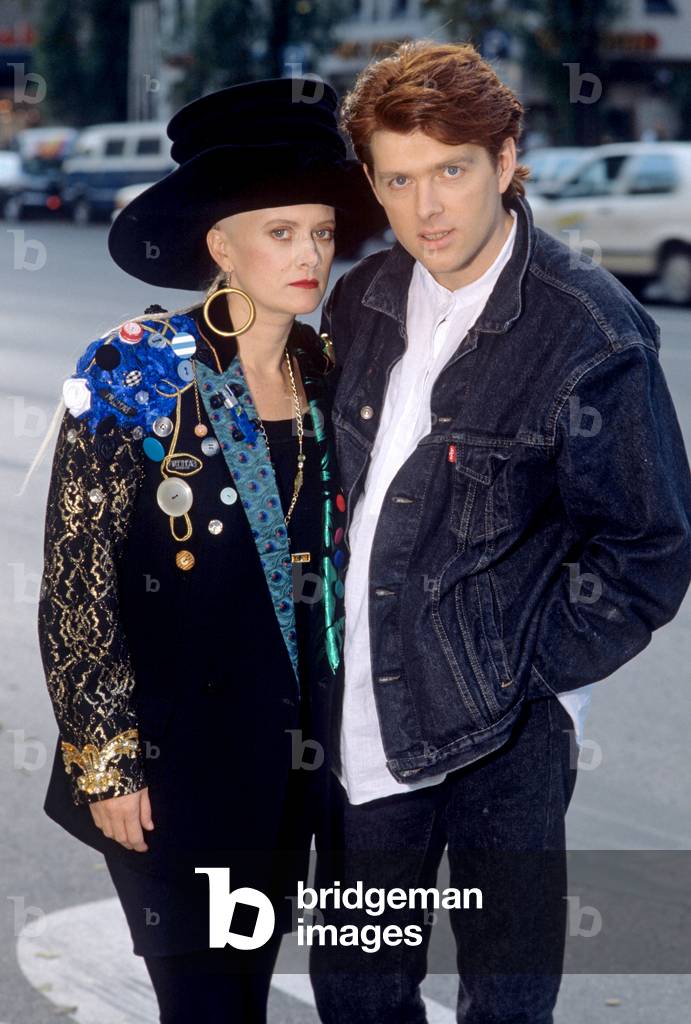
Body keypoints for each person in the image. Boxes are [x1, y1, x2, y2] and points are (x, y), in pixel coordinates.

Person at [309, 41, 691, 1023]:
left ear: (506, 160)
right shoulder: (363, 300)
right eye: (399, 178)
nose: (427, 206)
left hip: (504, 742)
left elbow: (647, 549)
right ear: (373, 183)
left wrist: (524, 674)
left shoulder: (589, 330)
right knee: (356, 994)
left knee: (507, 1004)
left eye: (452, 170)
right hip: (362, 730)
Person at [36, 77, 384, 1023]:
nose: (310, 253)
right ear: (219, 244)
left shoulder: (327, 372)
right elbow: (77, 579)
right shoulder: (132, 365)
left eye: (319, 230)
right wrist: (108, 765)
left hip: (286, 767)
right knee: (203, 1007)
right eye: (280, 232)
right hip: (167, 765)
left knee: (245, 996)